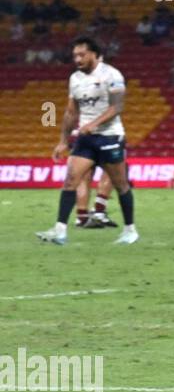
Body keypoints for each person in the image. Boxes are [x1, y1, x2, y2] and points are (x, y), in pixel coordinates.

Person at [37, 37, 138, 245]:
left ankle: (130, 230)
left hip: (109, 137)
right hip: (85, 139)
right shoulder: (75, 78)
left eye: (82, 55)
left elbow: (117, 107)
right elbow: (71, 111)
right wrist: (63, 141)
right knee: (70, 181)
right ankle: (60, 230)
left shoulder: (111, 75)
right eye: (75, 55)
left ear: (94, 54)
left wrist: (94, 123)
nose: (77, 59)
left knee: (120, 185)